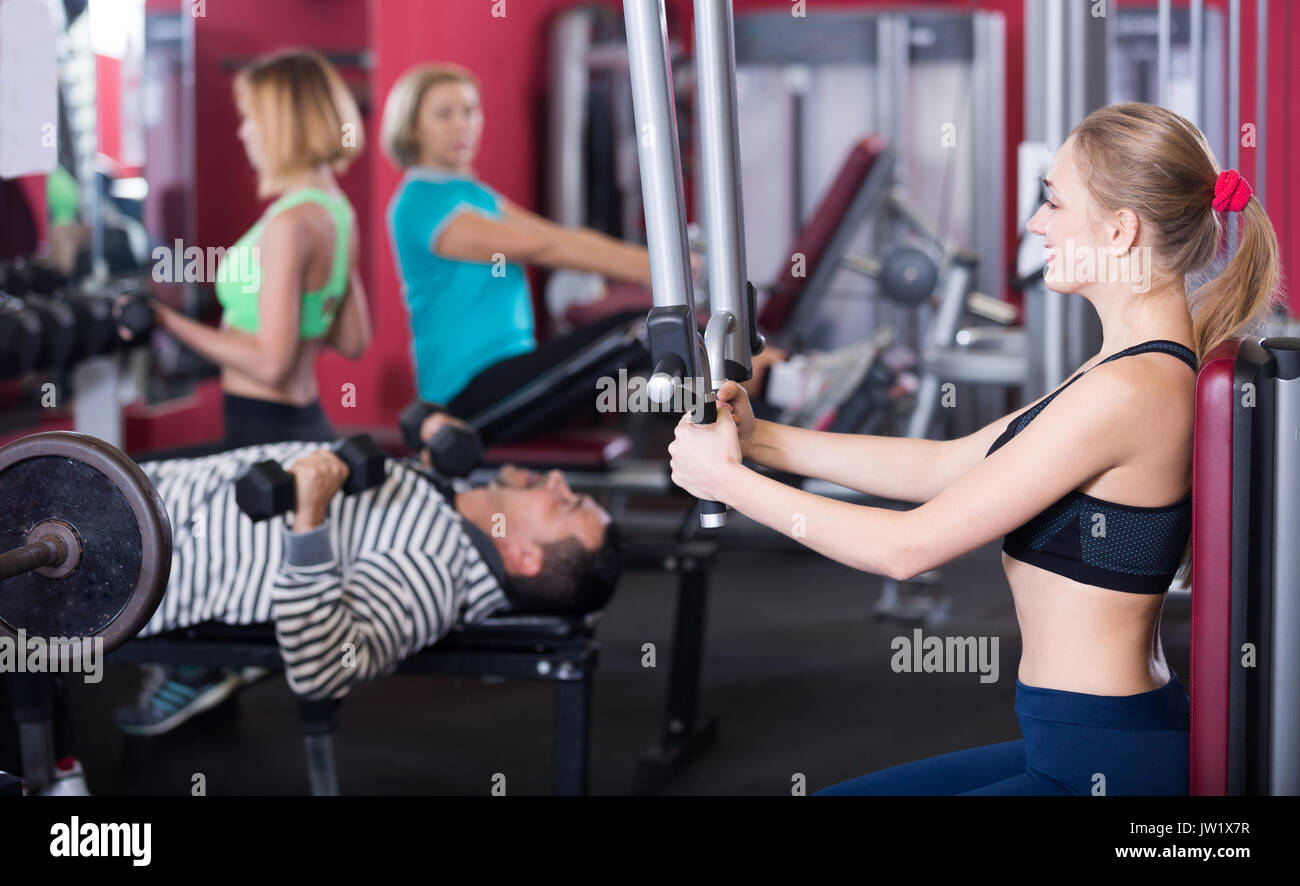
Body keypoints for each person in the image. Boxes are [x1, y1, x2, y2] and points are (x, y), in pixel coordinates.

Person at [665, 102, 1281, 795]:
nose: (1036, 225)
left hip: (1104, 765)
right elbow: (943, 466)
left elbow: (909, 549)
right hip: (1081, 739)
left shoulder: (1133, 389)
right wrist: (760, 440)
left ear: (1119, 228)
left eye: (1053, 202)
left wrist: (728, 482)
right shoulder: (1126, 369)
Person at [116, 48, 372, 733]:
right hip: (301, 422)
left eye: (251, 119)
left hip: (266, 421)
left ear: (282, 123)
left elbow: (267, 360)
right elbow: (352, 338)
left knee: (173, 537)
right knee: (218, 547)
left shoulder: (292, 224)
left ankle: (202, 669)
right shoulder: (334, 210)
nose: (244, 134)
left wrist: (168, 320)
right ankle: (221, 666)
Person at [381, 62, 804, 428]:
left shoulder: (472, 194)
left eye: (470, 110)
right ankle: (792, 382)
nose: (463, 124)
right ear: (411, 125)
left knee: (645, 358)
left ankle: (780, 382)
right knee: (637, 332)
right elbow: (544, 248)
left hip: (510, 370)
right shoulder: (419, 201)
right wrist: (659, 269)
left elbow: (560, 237)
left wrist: (664, 263)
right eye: (444, 114)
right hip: (470, 393)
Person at [129, 429, 621, 706]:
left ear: (524, 556)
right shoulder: (452, 510)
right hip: (140, 492)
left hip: (124, 561)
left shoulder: (435, 571)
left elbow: (322, 671)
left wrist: (309, 520)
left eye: (565, 503)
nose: (557, 479)